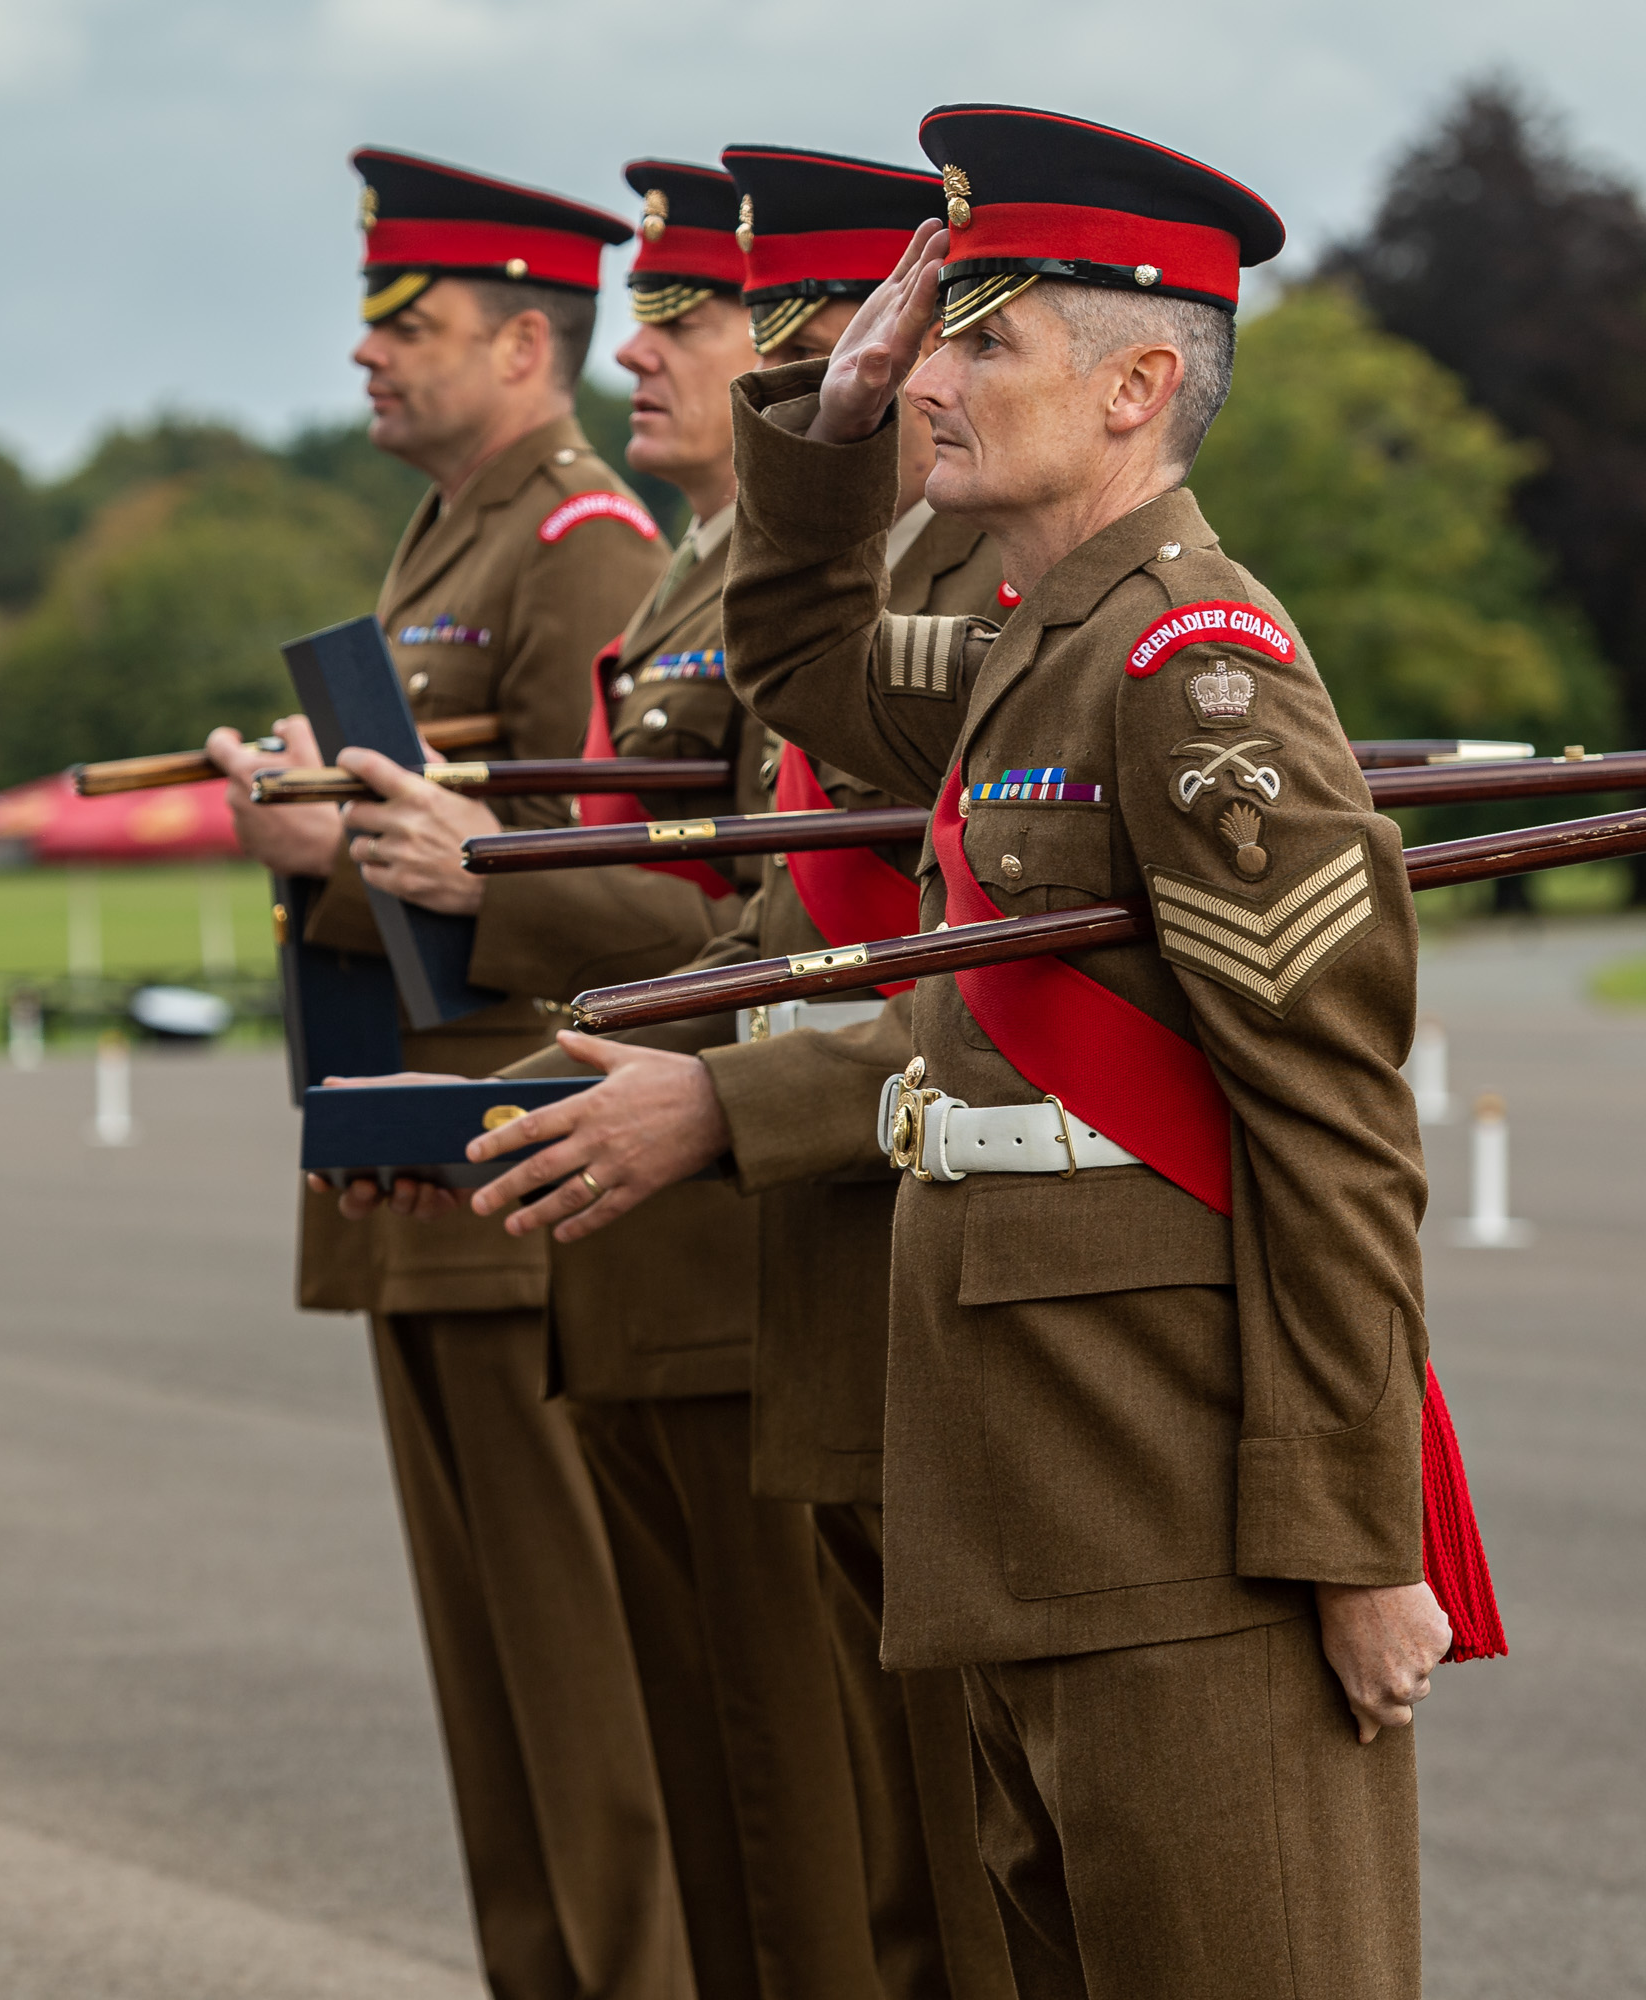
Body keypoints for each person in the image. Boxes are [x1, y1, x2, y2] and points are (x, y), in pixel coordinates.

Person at [689, 102, 1440, 1996]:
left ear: (1137, 388)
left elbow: (1333, 1135)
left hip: (1178, 1512)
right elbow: (802, 674)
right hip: (1031, 1492)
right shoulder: (1038, 646)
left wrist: (1363, 1542)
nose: (933, 370)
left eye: (984, 337)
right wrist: (830, 425)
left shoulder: (1193, 669)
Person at [471, 147, 1017, 2000]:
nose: (807, 386)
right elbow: (778, 902)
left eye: (792, 328)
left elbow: (971, 964)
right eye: (760, 329)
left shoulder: (981, 591)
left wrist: (697, 1070)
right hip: (766, 1211)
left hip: (880, 1237)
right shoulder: (820, 575)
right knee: (806, 1831)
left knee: (903, 1847)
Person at [211, 146, 702, 2000]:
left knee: (589, 1706)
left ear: (525, 345)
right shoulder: (450, 541)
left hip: (517, 1167)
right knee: (500, 1709)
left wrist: (342, 851)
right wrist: (313, 826)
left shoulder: (586, 553)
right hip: (422, 1170)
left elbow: (612, 888)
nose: (369, 358)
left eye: (409, 326)